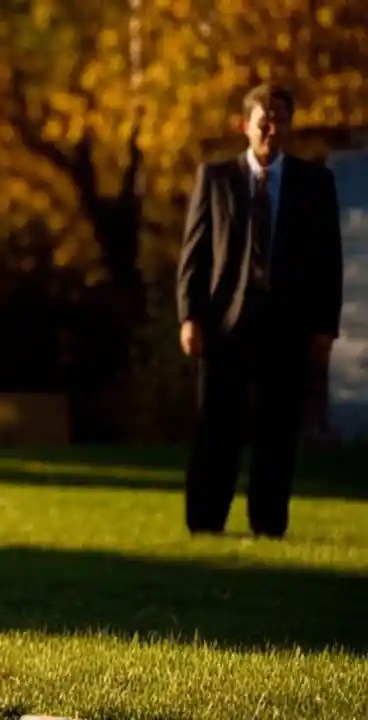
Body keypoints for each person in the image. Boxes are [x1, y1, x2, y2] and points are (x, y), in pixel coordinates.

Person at [176, 82, 343, 539]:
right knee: (216, 428)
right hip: (225, 324)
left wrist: (325, 328)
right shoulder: (216, 179)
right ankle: (205, 522)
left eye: (281, 119)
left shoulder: (314, 184)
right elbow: (194, 254)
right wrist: (189, 316)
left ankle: (268, 525)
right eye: (263, 120)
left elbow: (329, 260)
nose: (272, 128)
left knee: (277, 431)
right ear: (244, 126)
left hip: (286, 326)